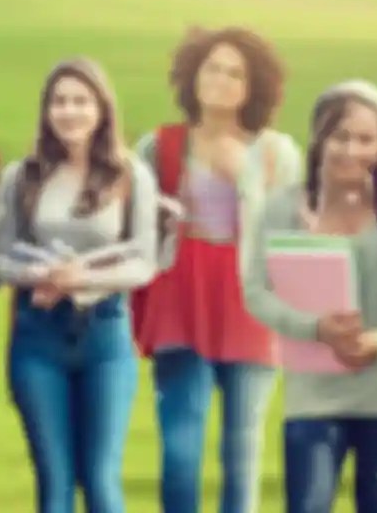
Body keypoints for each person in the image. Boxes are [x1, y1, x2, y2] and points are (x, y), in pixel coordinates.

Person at [131, 26, 300, 513]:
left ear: (253, 87)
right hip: (181, 299)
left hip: (249, 301)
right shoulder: (159, 146)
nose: (221, 80)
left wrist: (244, 178)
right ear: (192, 75)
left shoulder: (276, 151)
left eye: (235, 73)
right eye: (212, 68)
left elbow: (287, 233)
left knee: (242, 448)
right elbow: (139, 224)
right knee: (181, 448)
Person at [242, 80, 377, 513]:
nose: (351, 150)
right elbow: (256, 292)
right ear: (318, 137)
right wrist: (316, 328)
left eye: (366, 139)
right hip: (313, 394)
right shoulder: (283, 208)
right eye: (339, 135)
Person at [0, 58, 158, 513]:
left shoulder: (130, 174)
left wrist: (81, 281)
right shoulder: (21, 177)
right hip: (38, 337)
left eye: (81, 101)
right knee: (55, 481)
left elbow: (144, 260)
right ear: (46, 111)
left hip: (105, 336)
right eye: (60, 101)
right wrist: (42, 277)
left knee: (101, 479)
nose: (70, 111)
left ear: (102, 108)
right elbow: (1, 258)